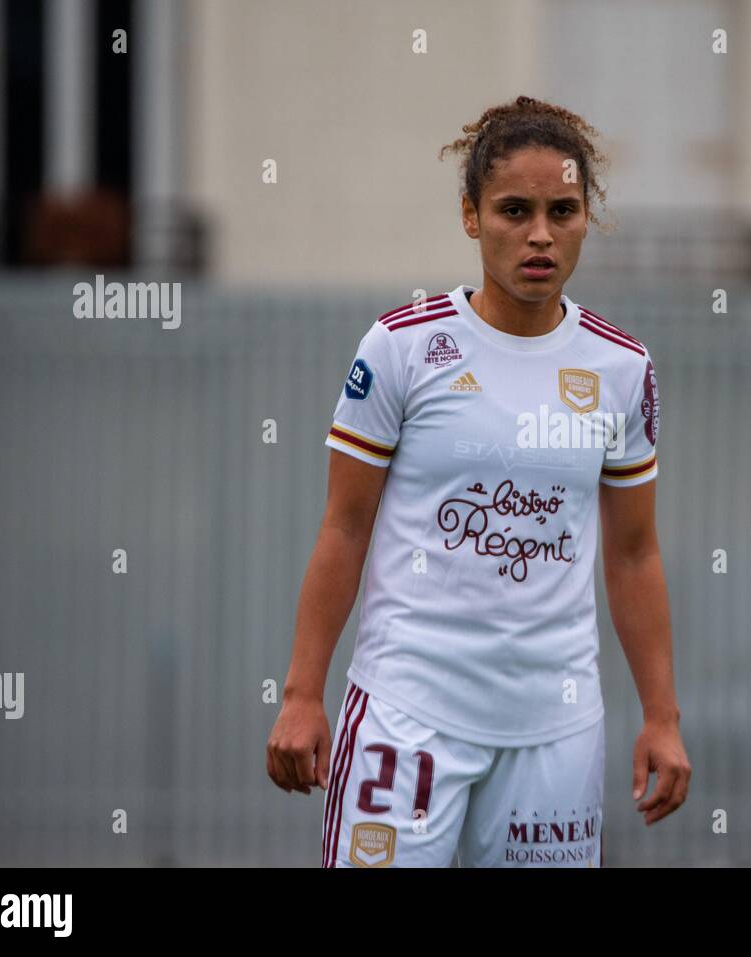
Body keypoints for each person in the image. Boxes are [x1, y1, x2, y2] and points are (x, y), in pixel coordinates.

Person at [266, 95, 690, 867]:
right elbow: (343, 526)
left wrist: (661, 715)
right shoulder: (402, 347)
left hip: (553, 731)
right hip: (405, 716)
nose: (539, 233)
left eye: (563, 210)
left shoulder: (621, 368)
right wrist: (301, 694)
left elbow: (634, 554)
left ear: (586, 217)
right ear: (470, 216)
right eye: (513, 209)